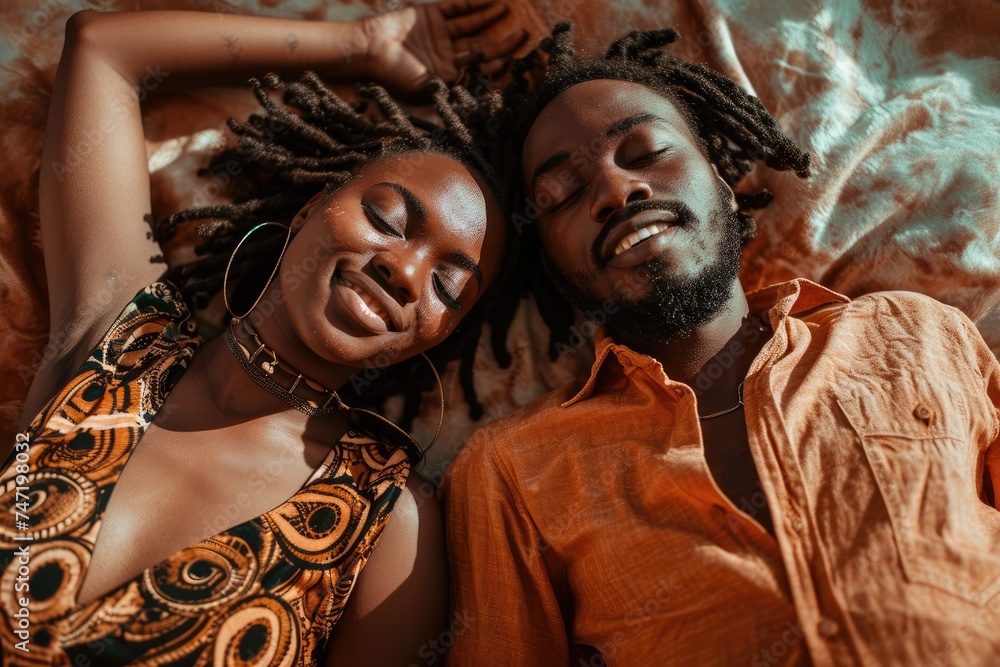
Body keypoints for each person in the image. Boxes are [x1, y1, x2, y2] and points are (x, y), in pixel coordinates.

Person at [441, 24, 1000, 666]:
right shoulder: (511, 468)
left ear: (722, 180)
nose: (616, 191)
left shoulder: (913, 331)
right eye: (561, 194)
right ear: (552, 264)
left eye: (646, 151)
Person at [0, 4, 523, 665]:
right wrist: (361, 44)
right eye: (386, 217)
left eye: (448, 285)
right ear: (311, 207)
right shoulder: (119, 337)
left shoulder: (386, 529)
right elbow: (103, 47)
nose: (403, 268)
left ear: (440, 335)